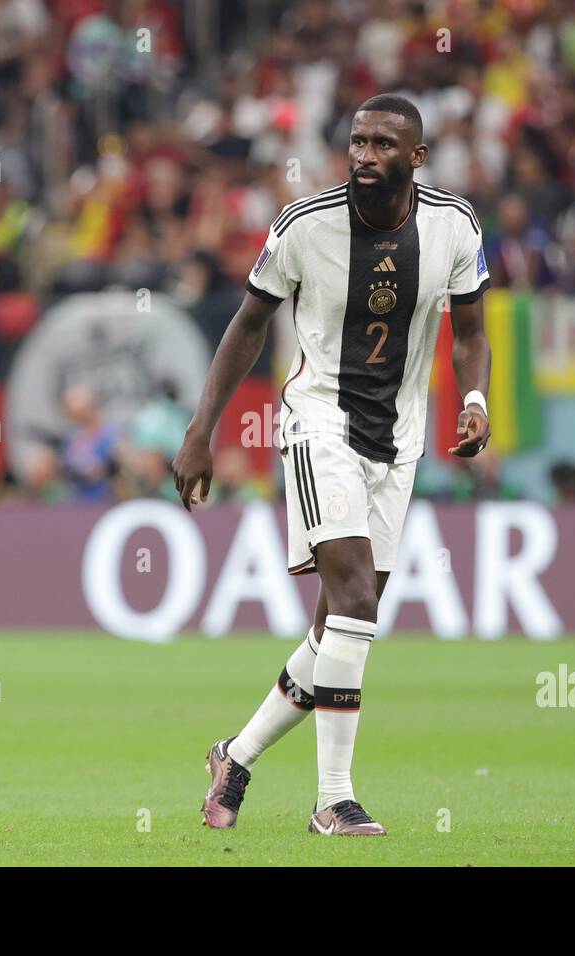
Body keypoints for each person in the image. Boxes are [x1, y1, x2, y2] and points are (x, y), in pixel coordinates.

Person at [171, 94, 492, 836]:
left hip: (401, 438)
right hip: (320, 423)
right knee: (353, 601)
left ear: (416, 157)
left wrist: (473, 397)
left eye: (384, 144)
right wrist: (201, 430)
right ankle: (333, 799)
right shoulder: (303, 226)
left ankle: (236, 755)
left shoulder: (454, 225)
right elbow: (248, 324)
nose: (365, 155)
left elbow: (470, 327)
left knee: (339, 630)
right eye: (357, 141)